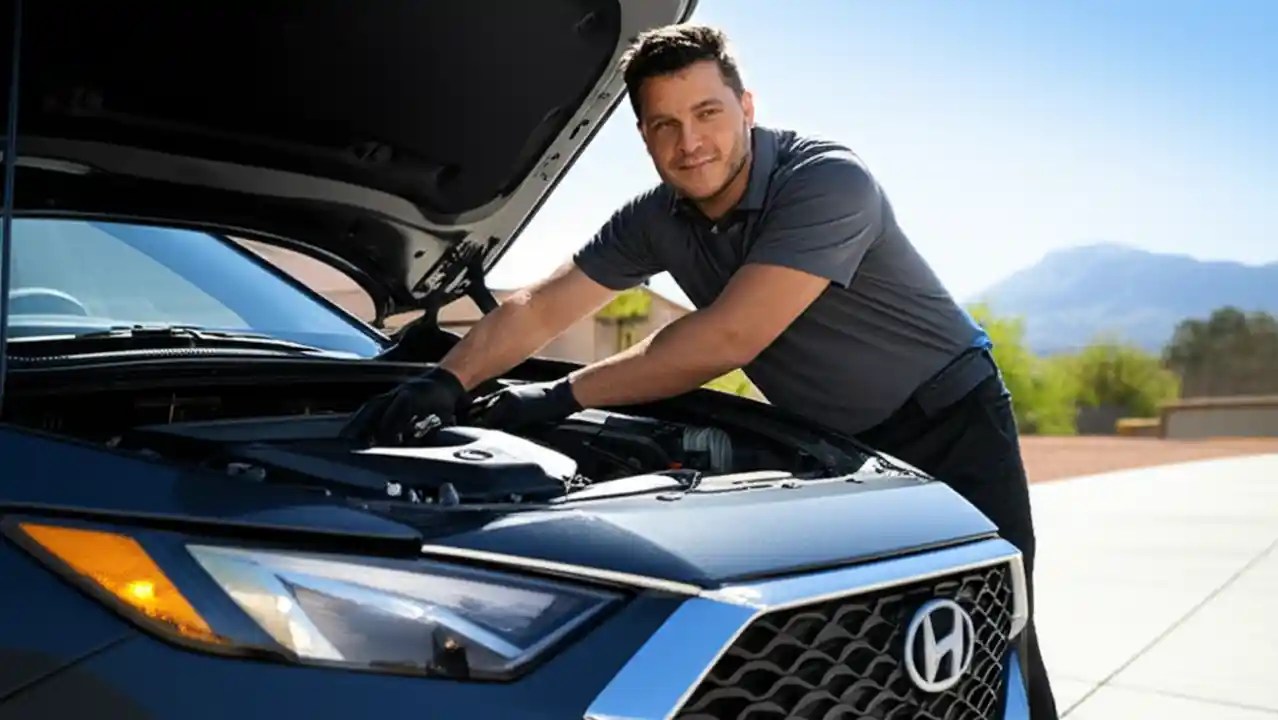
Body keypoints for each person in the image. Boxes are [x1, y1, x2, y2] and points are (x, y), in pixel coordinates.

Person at [343, 23, 1058, 718]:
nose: (689, 143)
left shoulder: (827, 181)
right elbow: (538, 306)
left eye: (707, 113)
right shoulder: (656, 217)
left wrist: (558, 396)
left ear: (746, 108)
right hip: (839, 449)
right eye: (664, 125)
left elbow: (728, 337)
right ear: (643, 137)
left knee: (987, 634)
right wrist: (447, 380)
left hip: (951, 419)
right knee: (853, 646)